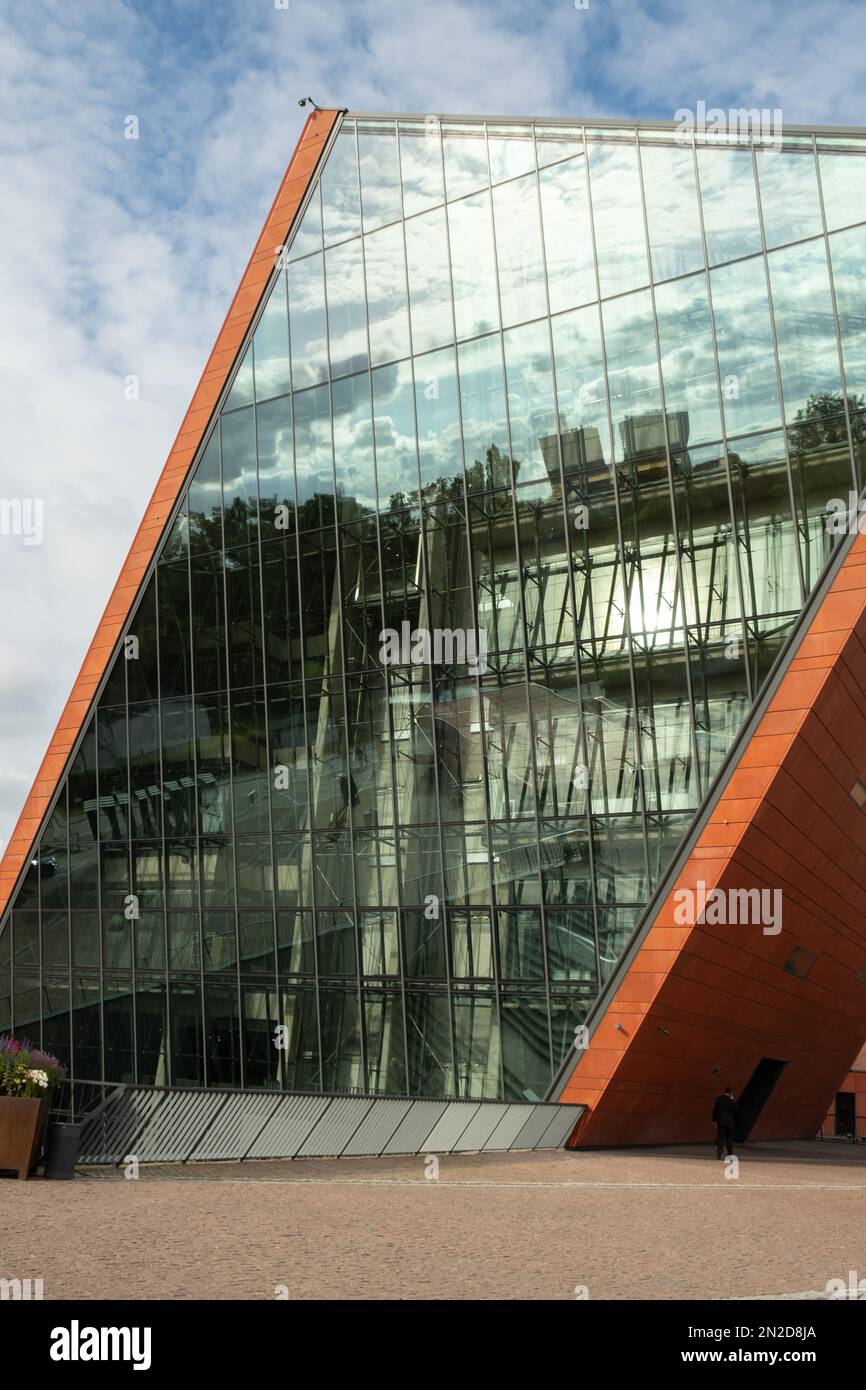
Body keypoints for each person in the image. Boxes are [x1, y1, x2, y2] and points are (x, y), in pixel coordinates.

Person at [712, 1086, 737, 1159]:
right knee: (729, 1138)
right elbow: (736, 1108)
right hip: (729, 1123)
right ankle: (729, 1154)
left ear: (725, 1091)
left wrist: (713, 1120)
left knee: (721, 1137)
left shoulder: (719, 1099)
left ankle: (719, 1151)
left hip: (720, 1122)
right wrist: (732, 1100)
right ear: (731, 1093)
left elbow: (715, 1110)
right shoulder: (730, 1100)